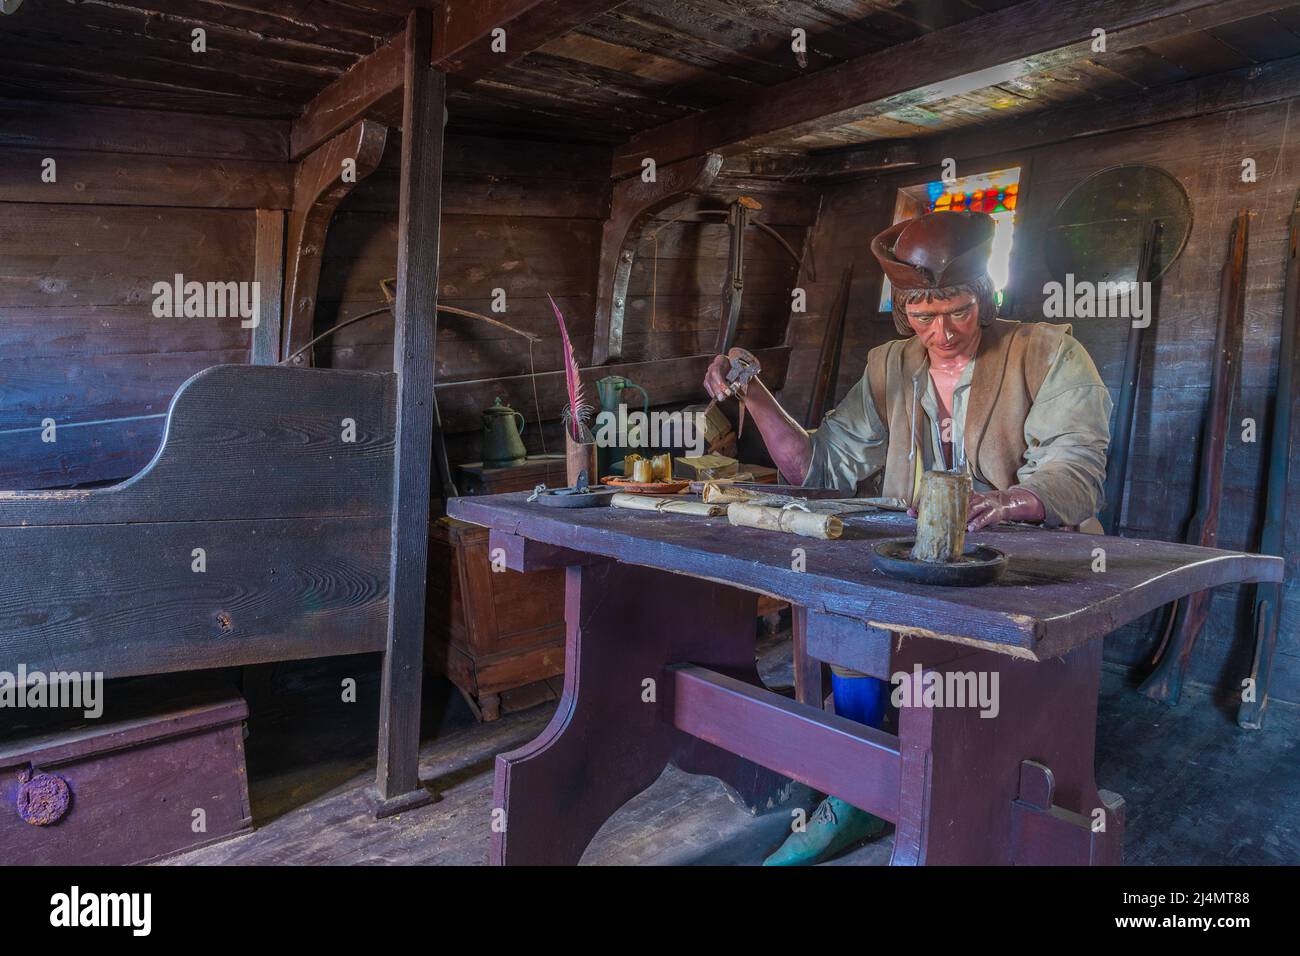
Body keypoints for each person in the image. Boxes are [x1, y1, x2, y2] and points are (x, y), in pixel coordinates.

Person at [701, 210, 1113, 865]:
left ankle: (978, 797)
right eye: (923, 317)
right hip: (925, 556)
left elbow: (1075, 468)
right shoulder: (890, 366)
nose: (942, 333)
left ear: (985, 298)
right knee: (847, 609)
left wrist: (1010, 501)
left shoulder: (1050, 352)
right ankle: (861, 793)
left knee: (985, 705)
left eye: (958, 313)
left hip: (1029, 562)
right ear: (903, 313)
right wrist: (751, 394)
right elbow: (819, 466)